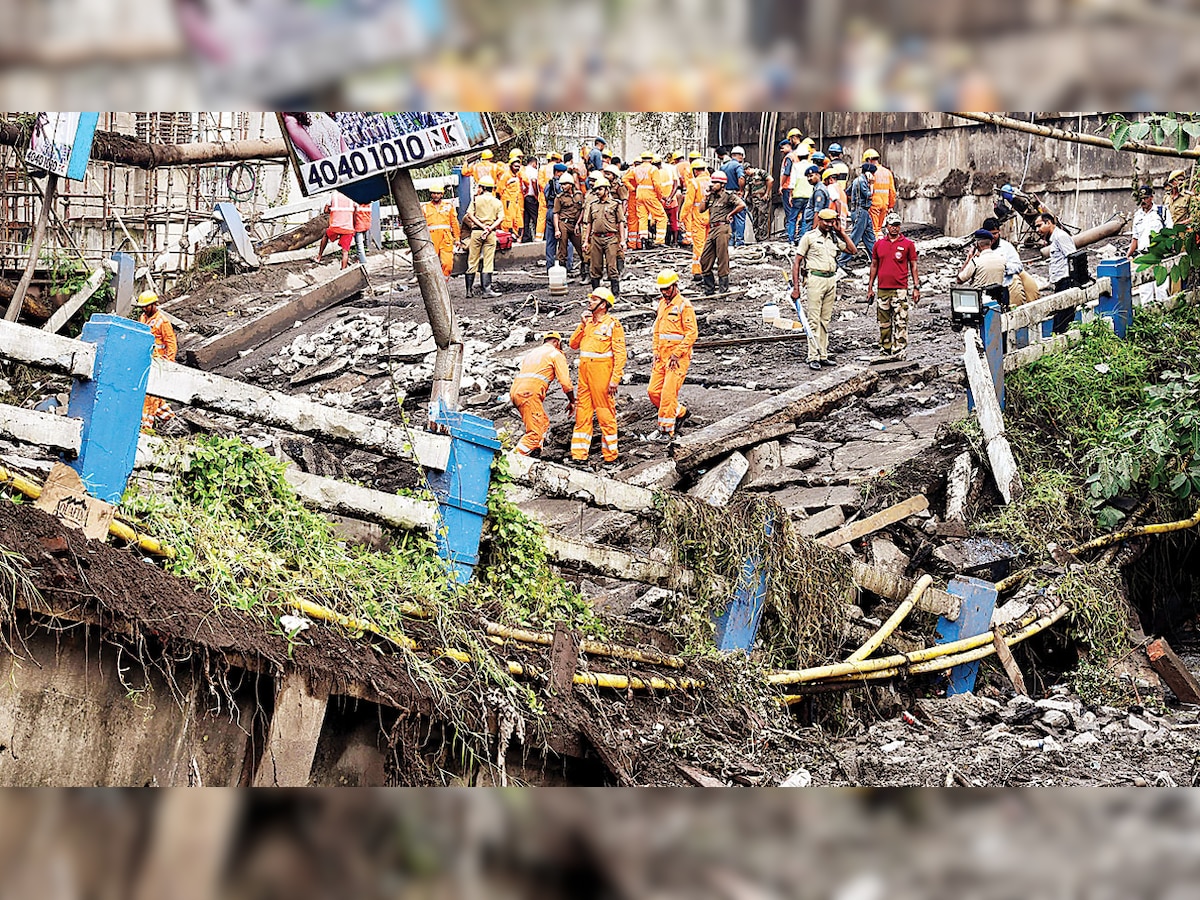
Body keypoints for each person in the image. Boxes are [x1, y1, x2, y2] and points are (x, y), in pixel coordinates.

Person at [569, 287, 626, 470]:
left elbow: (620, 353)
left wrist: (615, 378)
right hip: (584, 373)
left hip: (602, 373)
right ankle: (579, 456)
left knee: (605, 413)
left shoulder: (612, 324)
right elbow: (573, 344)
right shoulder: (588, 324)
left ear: (603, 305)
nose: (589, 302)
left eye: (594, 300)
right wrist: (582, 325)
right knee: (582, 413)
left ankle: (611, 456)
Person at [792, 208, 855, 370]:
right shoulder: (809, 237)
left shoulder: (833, 238)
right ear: (819, 220)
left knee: (825, 320)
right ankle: (813, 356)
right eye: (826, 221)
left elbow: (852, 250)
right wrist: (796, 288)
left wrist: (841, 232)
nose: (828, 224)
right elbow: (797, 262)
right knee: (813, 320)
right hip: (815, 279)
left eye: (831, 221)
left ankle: (823, 354)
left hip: (831, 280)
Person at [644, 269, 698, 443]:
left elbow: (692, 334)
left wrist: (677, 353)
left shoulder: (684, 305)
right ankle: (680, 412)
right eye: (662, 289)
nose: (664, 292)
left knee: (668, 394)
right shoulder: (662, 304)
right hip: (662, 356)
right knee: (653, 391)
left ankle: (666, 431)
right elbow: (657, 331)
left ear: (675, 286)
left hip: (678, 358)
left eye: (667, 289)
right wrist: (655, 352)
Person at [510, 332, 575, 458]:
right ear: (557, 342)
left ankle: (535, 453)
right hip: (529, 394)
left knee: (543, 422)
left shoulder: (531, 354)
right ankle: (512, 460)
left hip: (516, 392)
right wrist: (572, 401)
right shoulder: (555, 354)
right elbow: (566, 383)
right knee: (534, 434)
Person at [866, 212, 919, 358]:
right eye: (892, 225)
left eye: (897, 225)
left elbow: (913, 266)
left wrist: (916, 287)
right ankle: (885, 348)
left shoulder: (908, 244)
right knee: (884, 322)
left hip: (900, 289)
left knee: (901, 320)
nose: (894, 228)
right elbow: (874, 265)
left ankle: (899, 350)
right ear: (886, 226)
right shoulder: (879, 245)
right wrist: (870, 287)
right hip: (883, 289)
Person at [698, 170, 746, 295]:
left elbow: (741, 205)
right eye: (712, 182)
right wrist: (706, 196)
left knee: (722, 258)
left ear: (722, 184)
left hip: (722, 228)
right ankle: (709, 288)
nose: (713, 184)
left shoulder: (728, 195)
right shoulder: (711, 197)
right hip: (712, 228)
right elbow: (701, 210)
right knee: (705, 258)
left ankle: (723, 288)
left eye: (715, 183)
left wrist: (730, 214)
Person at [136, 291, 177, 429]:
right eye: (142, 306)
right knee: (154, 397)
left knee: (150, 396)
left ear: (154, 304)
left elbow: (171, 344)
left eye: (146, 306)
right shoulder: (143, 317)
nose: (144, 309)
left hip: (158, 365)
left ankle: (145, 428)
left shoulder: (162, 321)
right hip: (146, 363)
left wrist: (168, 365)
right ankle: (172, 421)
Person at [582, 171, 623, 299]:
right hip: (596, 238)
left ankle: (615, 294)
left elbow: (621, 222)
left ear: (606, 190)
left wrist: (623, 241)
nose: (598, 192)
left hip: (611, 238)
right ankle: (597, 294)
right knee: (595, 267)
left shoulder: (615, 204)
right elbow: (589, 223)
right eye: (596, 190)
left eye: (600, 189)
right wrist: (586, 241)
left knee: (612, 266)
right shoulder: (593, 205)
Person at [1036, 212, 1077, 334]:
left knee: (1062, 322)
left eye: (1039, 226)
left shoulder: (1060, 237)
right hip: (1060, 283)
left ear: (1048, 223)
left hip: (1066, 282)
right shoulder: (1055, 239)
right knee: (1061, 318)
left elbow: (1073, 257)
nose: (1037, 230)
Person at [1129, 184, 1171, 302]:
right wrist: (1129, 254)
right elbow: (1135, 238)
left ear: (1152, 197)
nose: (1144, 201)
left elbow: (1170, 233)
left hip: (1158, 255)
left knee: (1161, 289)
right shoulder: (1138, 216)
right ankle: (1148, 318)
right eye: (1142, 199)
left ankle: (1164, 317)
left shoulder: (1161, 212)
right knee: (1145, 291)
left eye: (1146, 198)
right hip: (1144, 256)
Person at [464, 176, 505, 297]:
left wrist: (482, 227)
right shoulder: (497, 202)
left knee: (472, 260)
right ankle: (486, 290)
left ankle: (469, 291)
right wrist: (489, 228)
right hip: (490, 233)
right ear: (492, 188)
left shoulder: (476, 200)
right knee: (488, 261)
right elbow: (501, 218)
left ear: (482, 188)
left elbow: (470, 215)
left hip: (476, 232)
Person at [981, 215, 1032, 308]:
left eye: (995, 233)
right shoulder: (979, 248)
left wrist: (1003, 268)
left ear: (999, 232)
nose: (992, 237)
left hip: (1003, 288)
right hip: (984, 290)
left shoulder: (1007, 247)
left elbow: (1018, 266)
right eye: (989, 234)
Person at [422, 182, 460, 280]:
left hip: (445, 238)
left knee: (447, 263)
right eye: (434, 193)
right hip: (431, 238)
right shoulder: (425, 208)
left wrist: (457, 239)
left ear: (442, 194)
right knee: (431, 262)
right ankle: (434, 282)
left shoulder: (448, 206)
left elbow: (454, 223)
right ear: (431, 194)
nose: (436, 195)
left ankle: (444, 281)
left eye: (438, 193)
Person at [553, 173, 587, 282]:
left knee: (581, 249)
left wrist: (578, 223)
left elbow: (582, 209)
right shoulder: (559, 198)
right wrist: (557, 229)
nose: (563, 186)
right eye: (561, 185)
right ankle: (563, 276)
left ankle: (585, 274)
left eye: (565, 184)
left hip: (575, 224)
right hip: (563, 223)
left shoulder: (578, 195)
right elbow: (556, 214)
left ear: (571, 184)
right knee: (562, 250)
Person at [682, 157, 711, 281]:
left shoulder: (694, 183)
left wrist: (681, 217)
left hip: (698, 216)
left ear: (695, 171)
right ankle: (709, 268)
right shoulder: (712, 181)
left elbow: (688, 203)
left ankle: (699, 271)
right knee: (709, 244)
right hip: (711, 216)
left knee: (699, 245)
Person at [844, 162, 876, 271]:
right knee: (855, 238)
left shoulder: (856, 180)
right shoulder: (862, 181)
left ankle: (876, 259)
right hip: (860, 212)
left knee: (870, 237)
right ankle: (842, 261)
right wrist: (871, 185)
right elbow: (869, 195)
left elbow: (847, 192)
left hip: (862, 211)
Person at [634, 152, 668, 248]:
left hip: (639, 194)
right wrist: (660, 196)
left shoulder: (637, 169)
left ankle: (643, 238)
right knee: (661, 217)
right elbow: (657, 184)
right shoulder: (653, 169)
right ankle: (659, 240)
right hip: (650, 195)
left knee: (642, 217)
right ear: (651, 159)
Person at [315, 190, 355, 269]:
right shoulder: (352, 195)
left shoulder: (333, 195)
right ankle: (344, 270)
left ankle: (319, 257)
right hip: (348, 227)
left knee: (326, 236)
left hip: (335, 226)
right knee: (345, 252)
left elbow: (326, 210)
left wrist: (332, 210)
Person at [863, 148, 897, 238]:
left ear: (869, 160)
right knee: (879, 229)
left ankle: (876, 248)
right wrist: (891, 205)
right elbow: (892, 191)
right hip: (884, 204)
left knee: (874, 230)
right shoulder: (887, 172)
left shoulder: (870, 173)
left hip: (874, 204)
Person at [721, 146, 748, 246]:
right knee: (740, 218)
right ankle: (739, 242)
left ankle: (730, 241)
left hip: (725, 195)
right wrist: (741, 190)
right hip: (735, 194)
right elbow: (741, 178)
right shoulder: (738, 166)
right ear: (740, 155)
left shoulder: (723, 166)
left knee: (729, 217)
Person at [500, 151, 525, 239]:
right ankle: (507, 237)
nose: (517, 168)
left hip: (515, 202)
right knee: (508, 220)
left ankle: (516, 236)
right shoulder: (506, 176)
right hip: (507, 202)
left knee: (518, 221)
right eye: (515, 166)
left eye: (518, 166)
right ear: (511, 166)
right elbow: (500, 189)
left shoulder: (516, 176)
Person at [520, 154, 540, 243]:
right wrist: (536, 195)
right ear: (534, 163)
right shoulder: (533, 171)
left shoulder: (523, 170)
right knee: (536, 217)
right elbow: (534, 181)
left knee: (526, 218)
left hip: (524, 196)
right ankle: (539, 236)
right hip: (531, 196)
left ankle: (526, 237)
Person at [352, 200, 373, 265]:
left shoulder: (356, 202)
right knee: (363, 243)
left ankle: (363, 262)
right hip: (367, 224)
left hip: (359, 225)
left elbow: (354, 214)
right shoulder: (369, 203)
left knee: (359, 245)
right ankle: (359, 257)